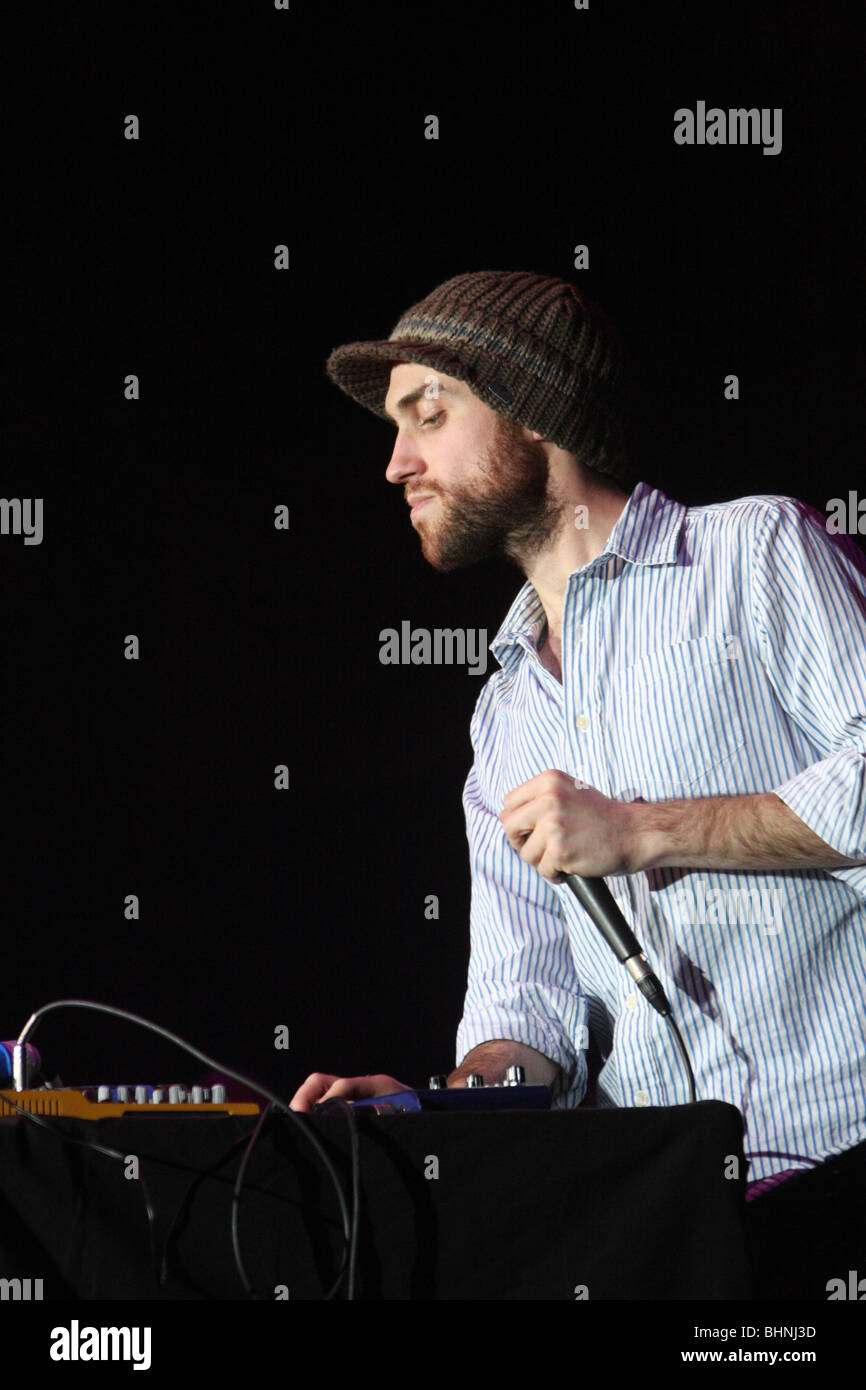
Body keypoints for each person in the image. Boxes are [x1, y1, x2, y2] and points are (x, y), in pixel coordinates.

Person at [292, 270, 866, 1296]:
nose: (396, 463)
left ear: (537, 412)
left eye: (428, 413)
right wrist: (442, 1104)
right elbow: (530, 1013)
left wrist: (638, 831)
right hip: (671, 1229)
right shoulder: (503, 715)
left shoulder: (753, 554)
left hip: (845, 1180)